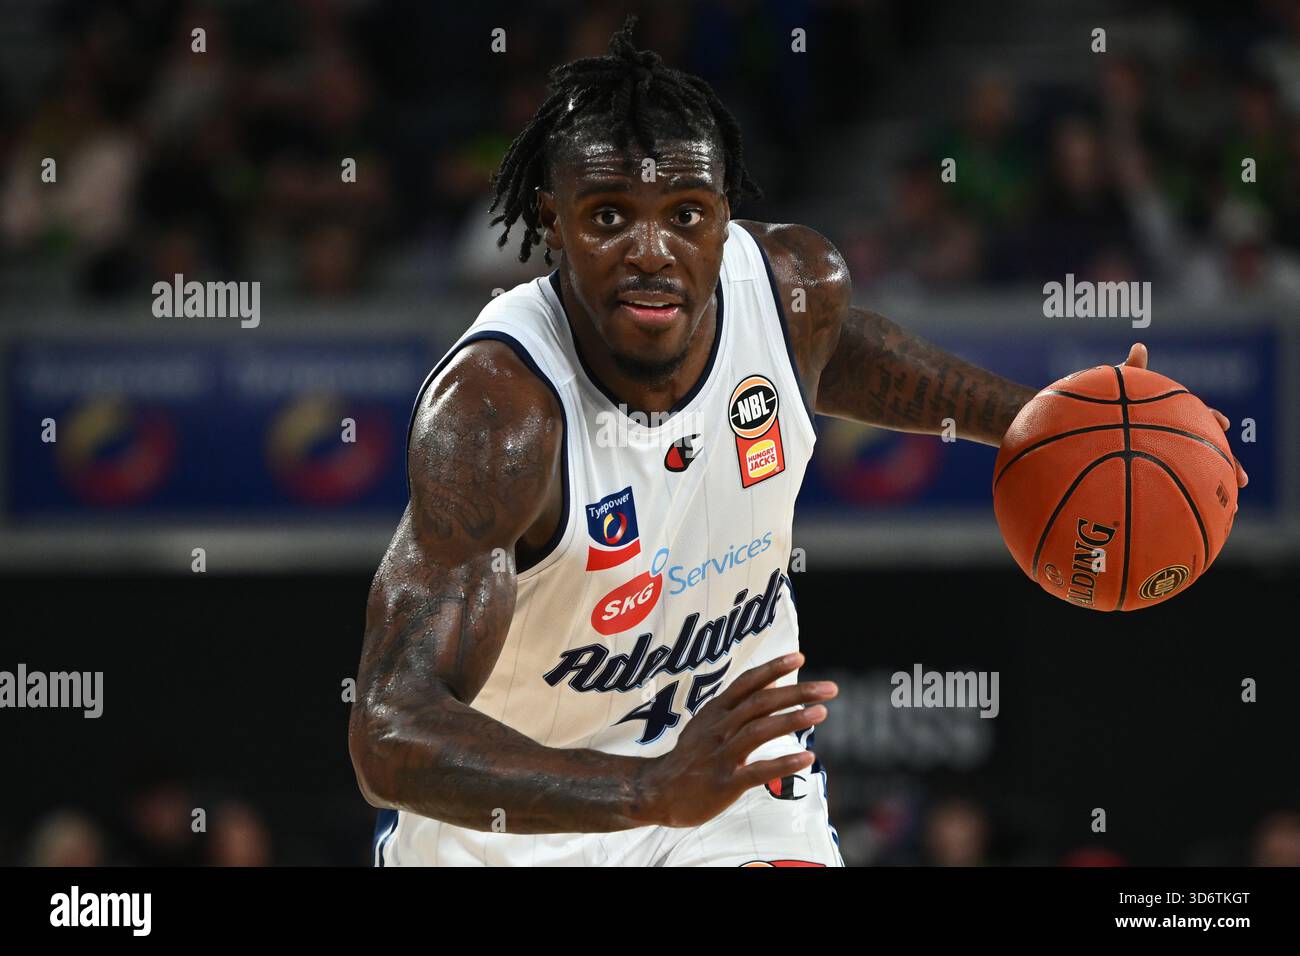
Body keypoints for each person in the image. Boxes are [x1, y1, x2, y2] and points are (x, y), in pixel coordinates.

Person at [348, 15, 1247, 867]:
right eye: (609, 216)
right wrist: (649, 789)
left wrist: (1059, 426)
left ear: (726, 212)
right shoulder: (497, 417)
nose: (652, 250)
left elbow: (833, 349)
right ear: (552, 221)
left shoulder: (789, 290)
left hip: (736, 781)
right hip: (519, 824)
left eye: (688, 214)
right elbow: (389, 731)